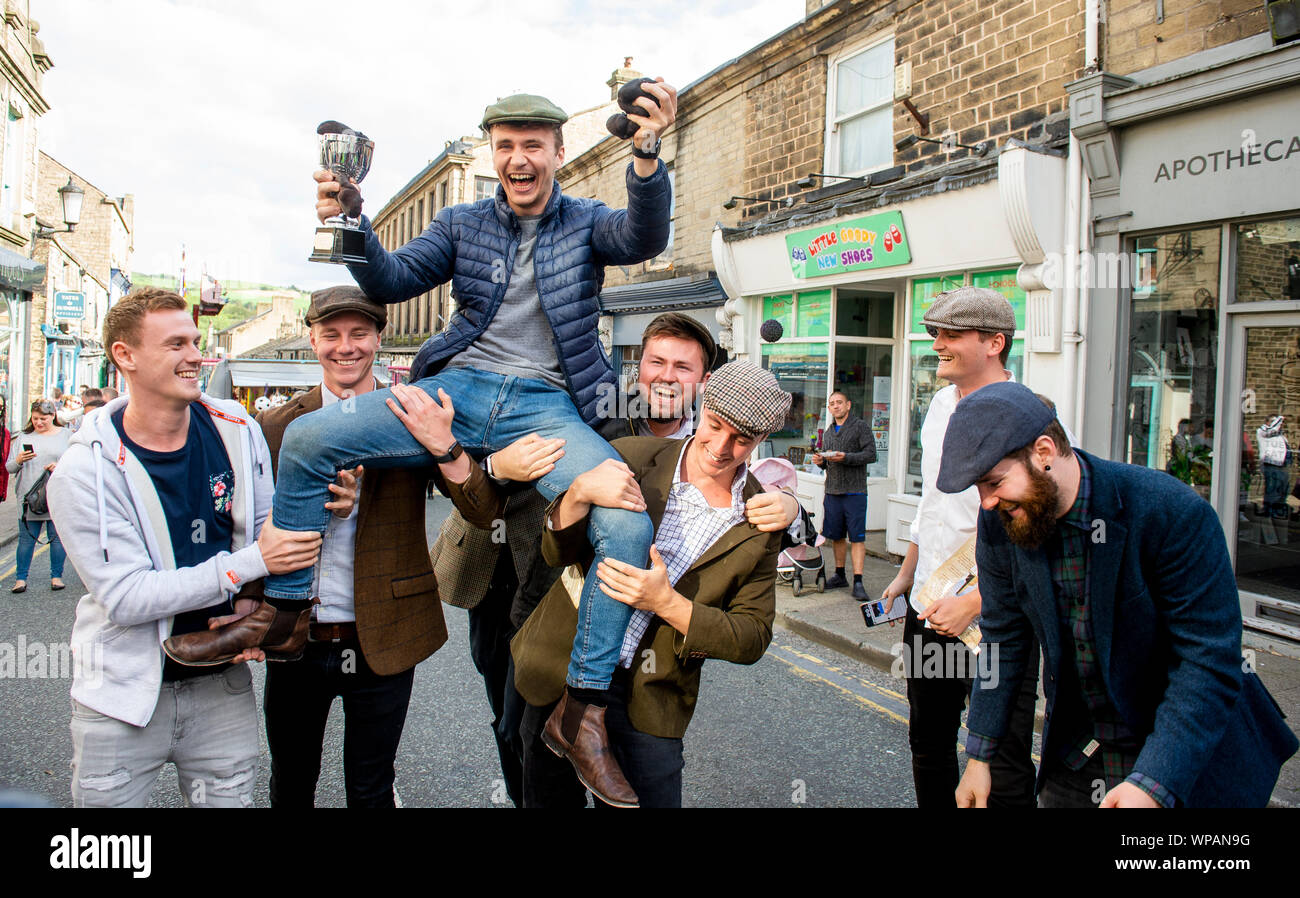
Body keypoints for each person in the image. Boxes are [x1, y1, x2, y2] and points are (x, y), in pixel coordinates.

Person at [172, 87, 678, 800]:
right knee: (311, 437)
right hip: (460, 389)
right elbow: (390, 276)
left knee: (626, 522)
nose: (518, 157)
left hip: (547, 406)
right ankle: (285, 614)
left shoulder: (590, 222)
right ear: (494, 154)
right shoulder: (462, 223)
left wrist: (648, 155)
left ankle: (582, 711)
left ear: (558, 154)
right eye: (505, 144)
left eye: (533, 144)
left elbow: (645, 238)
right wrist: (350, 217)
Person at [435, 312, 799, 805]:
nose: (721, 446)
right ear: (637, 365)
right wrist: (567, 491)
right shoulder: (603, 433)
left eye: (683, 366)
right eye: (657, 361)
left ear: (705, 381)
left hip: (648, 687)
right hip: (550, 620)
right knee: (523, 751)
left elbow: (754, 629)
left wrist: (791, 506)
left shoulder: (751, 499)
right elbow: (526, 513)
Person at [946, 382, 1299, 807]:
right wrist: (980, 754)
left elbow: (1207, 660)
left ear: (1043, 452)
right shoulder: (1001, 521)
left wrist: (1152, 782)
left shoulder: (1170, 512)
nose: (986, 502)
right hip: (1081, 756)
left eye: (993, 482)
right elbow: (1003, 638)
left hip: (1184, 758)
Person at [46, 287, 327, 807]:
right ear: (124, 355)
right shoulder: (83, 471)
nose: (195, 355)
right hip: (123, 697)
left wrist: (253, 604)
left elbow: (265, 527)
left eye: (195, 342)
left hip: (222, 684)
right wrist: (252, 563)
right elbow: (128, 598)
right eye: (176, 344)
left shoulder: (237, 429)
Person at [510, 361, 791, 807]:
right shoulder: (632, 456)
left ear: (761, 440)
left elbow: (752, 637)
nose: (721, 447)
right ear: (703, 407)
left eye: (742, 440)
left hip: (650, 696)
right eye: (715, 426)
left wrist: (665, 602)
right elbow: (555, 554)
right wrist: (578, 495)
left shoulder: (760, 518)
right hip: (563, 670)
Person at [256, 285, 494, 807]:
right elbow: (250, 527)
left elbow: (482, 511)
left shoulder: (414, 413)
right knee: (291, 782)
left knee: (371, 788)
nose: (346, 347)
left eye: (359, 334)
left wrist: (444, 446)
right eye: (331, 334)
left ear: (379, 340)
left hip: (382, 633)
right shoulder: (277, 426)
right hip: (298, 634)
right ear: (313, 339)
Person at [879, 287, 1038, 808]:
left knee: (1000, 751)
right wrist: (908, 574)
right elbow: (933, 506)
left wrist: (976, 601)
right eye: (936, 335)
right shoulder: (940, 406)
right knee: (928, 740)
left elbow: (1037, 526)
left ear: (995, 342)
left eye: (951, 335)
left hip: (994, 615)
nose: (938, 345)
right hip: (929, 602)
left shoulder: (1031, 417)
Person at [810, 389, 876, 599]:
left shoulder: (860, 427)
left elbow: (871, 455)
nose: (835, 406)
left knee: (856, 537)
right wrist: (822, 462)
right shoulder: (828, 433)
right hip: (832, 491)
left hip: (855, 491)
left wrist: (846, 457)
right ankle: (840, 575)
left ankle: (858, 581)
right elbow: (828, 464)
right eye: (832, 403)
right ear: (829, 408)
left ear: (848, 405)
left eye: (839, 402)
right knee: (836, 536)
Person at [7, 398, 71, 593]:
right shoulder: (23, 438)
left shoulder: (67, 436)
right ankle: (20, 579)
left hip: (56, 494)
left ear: (53, 416)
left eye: (43, 418)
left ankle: (56, 576)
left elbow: (77, 465)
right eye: (35, 418)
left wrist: (60, 467)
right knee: (26, 540)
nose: (39, 422)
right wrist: (18, 460)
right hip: (28, 497)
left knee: (57, 538)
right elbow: (9, 468)